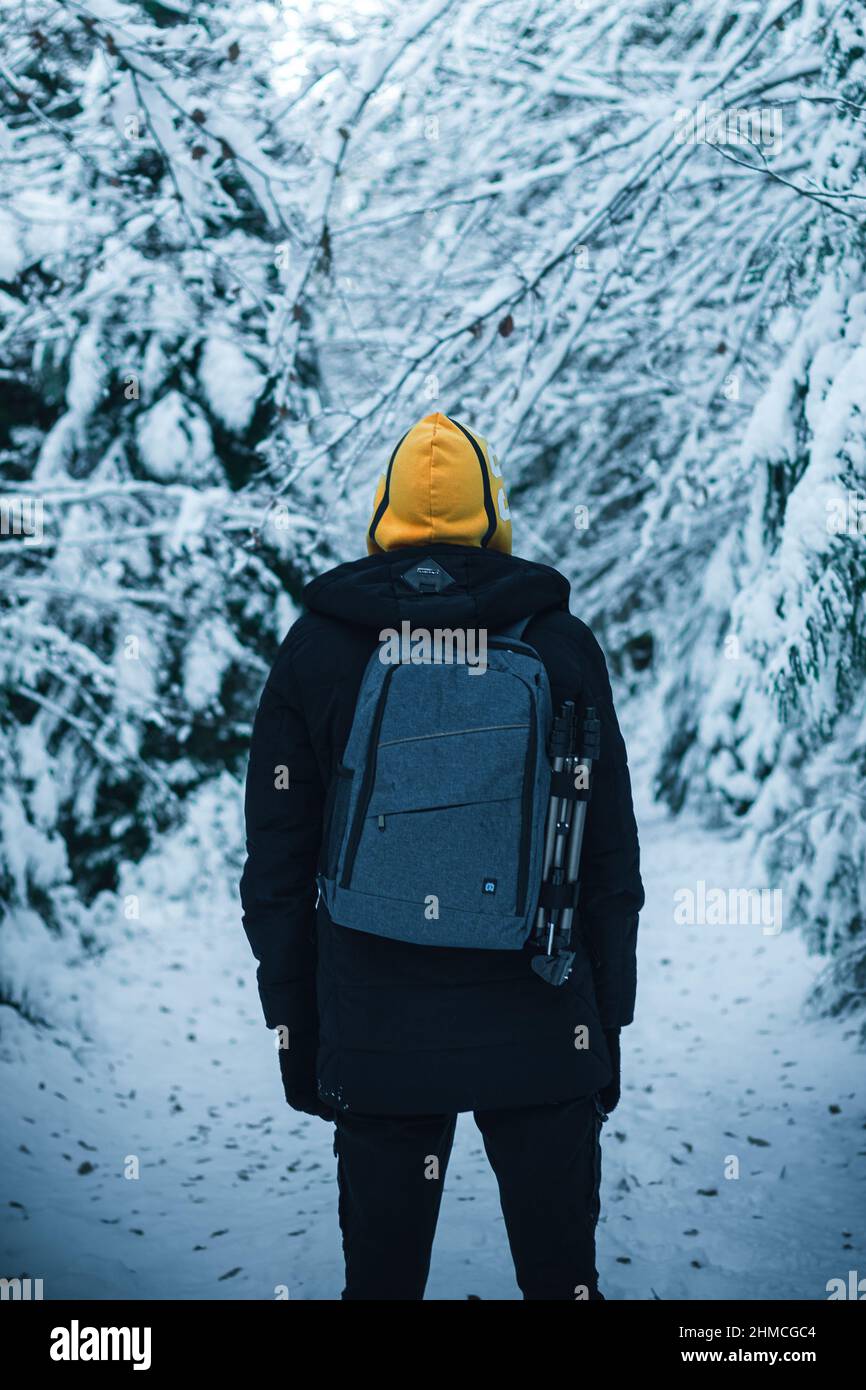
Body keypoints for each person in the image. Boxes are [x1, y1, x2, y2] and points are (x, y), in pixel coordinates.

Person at [240, 412, 644, 1300]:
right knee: (560, 1285)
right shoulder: (558, 645)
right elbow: (611, 857)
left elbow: (276, 868)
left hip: (378, 1031)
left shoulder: (319, 648)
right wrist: (605, 1023)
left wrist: (296, 1031)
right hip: (541, 1018)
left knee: (380, 1289)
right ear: (492, 514)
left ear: (382, 513)